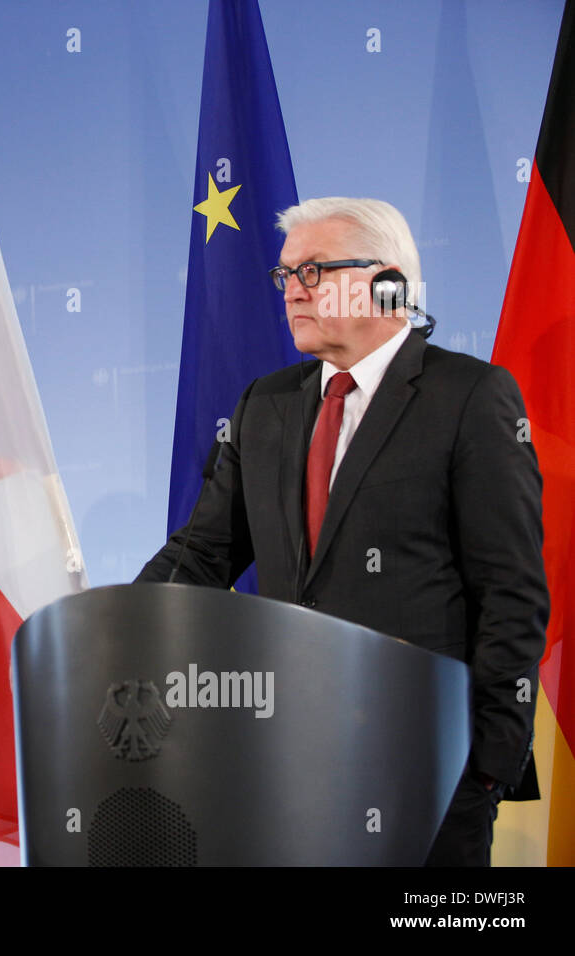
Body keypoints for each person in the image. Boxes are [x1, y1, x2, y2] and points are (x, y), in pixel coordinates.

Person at [137, 197, 548, 866]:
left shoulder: (471, 397)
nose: (292, 292)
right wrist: (118, 624)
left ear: (386, 283)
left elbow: (511, 590)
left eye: (313, 272)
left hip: (427, 768)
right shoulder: (264, 405)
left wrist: (487, 764)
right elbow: (204, 552)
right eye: (284, 277)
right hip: (282, 762)